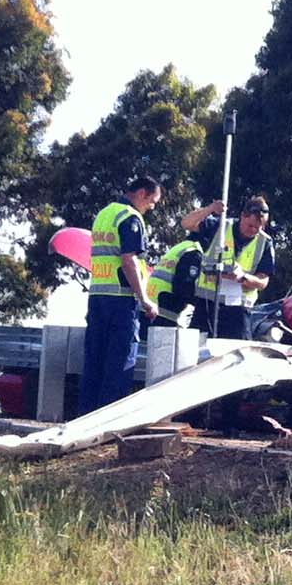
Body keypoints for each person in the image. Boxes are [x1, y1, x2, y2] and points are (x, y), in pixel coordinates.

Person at [79, 176, 163, 415]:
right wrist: (145, 299)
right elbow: (129, 260)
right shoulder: (130, 217)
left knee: (94, 360)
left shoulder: (104, 214)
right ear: (142, 193)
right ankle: (109, 421)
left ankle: (86, 418)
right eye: (153, 201)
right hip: (121, 300)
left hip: (97, 296)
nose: (152, 207)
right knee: (120, 363)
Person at [179, 196, 276, 340]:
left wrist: (243, 277)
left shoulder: (265, 242)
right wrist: (210, 209)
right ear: (243, 216)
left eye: (259, 227)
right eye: (250, 225)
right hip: (207, 305)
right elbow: (186, 223)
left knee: (237, 354)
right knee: (197, 352)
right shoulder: (220, 226)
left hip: (238, 312)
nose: (254, 230)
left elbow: (263, 281)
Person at [146, 236, 205, 323]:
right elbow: (185, 287)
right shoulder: (193, 252)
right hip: (165, 307)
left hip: (151, 302)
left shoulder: (181, 247)